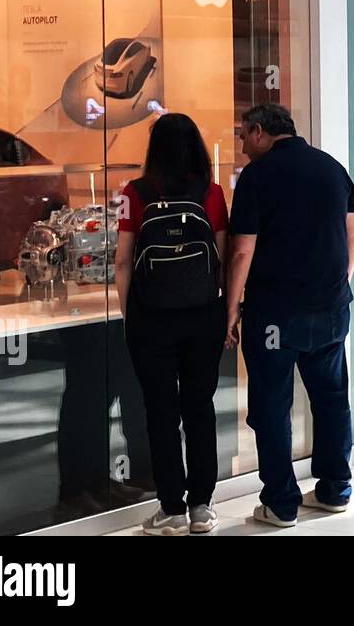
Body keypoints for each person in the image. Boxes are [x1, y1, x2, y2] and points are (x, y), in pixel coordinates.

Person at [226, 103, 354, 528]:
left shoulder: (257, 177)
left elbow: (243, 249)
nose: (243, 146)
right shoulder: (332, 168)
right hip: (332, 308)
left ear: (260, 132)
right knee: (331, 398)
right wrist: (338, 283)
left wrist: (230, 307)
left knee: (271, 403)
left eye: (244, 135)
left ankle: (282, 503)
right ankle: (335, 488)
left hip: (275, 315)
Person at [115, 112, 229, 536]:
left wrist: (131, 315)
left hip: (152, 319)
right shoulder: (212, 193)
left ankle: (172, 510)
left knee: (160, 412)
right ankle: (202, 507)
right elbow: (221, 259)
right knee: (199, 408)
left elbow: (124, 260)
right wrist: (223, 309)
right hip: (203, 316)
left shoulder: (135, 192)